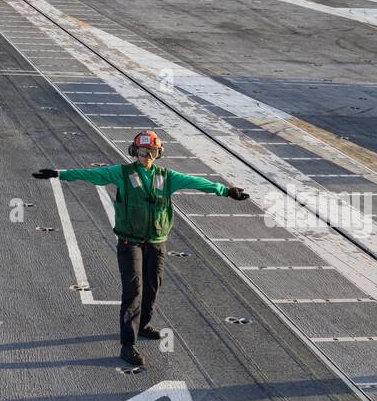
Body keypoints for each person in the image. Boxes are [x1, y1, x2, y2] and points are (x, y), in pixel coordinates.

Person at [32, 130, 249, 367]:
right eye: (143, 152)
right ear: (134, 152)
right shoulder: (122, 173)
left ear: (159, 153)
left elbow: (197, 183)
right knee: (133, 290)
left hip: (156, 241)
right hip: (130, 242)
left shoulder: (167, 177)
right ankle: (127, 345)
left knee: (153, 284)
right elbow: (92, 174)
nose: (147, 156)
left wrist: (226, 191)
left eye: (153, 152)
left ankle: (143, 324)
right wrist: (60, 174)